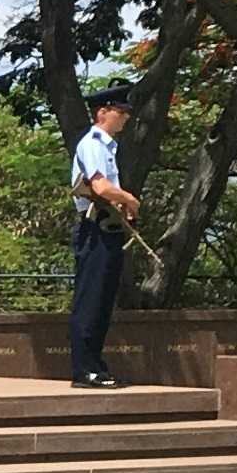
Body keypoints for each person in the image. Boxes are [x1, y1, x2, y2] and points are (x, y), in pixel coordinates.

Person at [70, 85, 143, 389]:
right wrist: (130, 199)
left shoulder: (108, 147)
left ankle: (96, 365)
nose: (125, 117)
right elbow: (100, 188)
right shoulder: (93, 143)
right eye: (120, 111)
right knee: (90, 299)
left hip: (108, 228)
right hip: (94, 228)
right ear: (103, 113)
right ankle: (85, 369)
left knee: (102, 301)